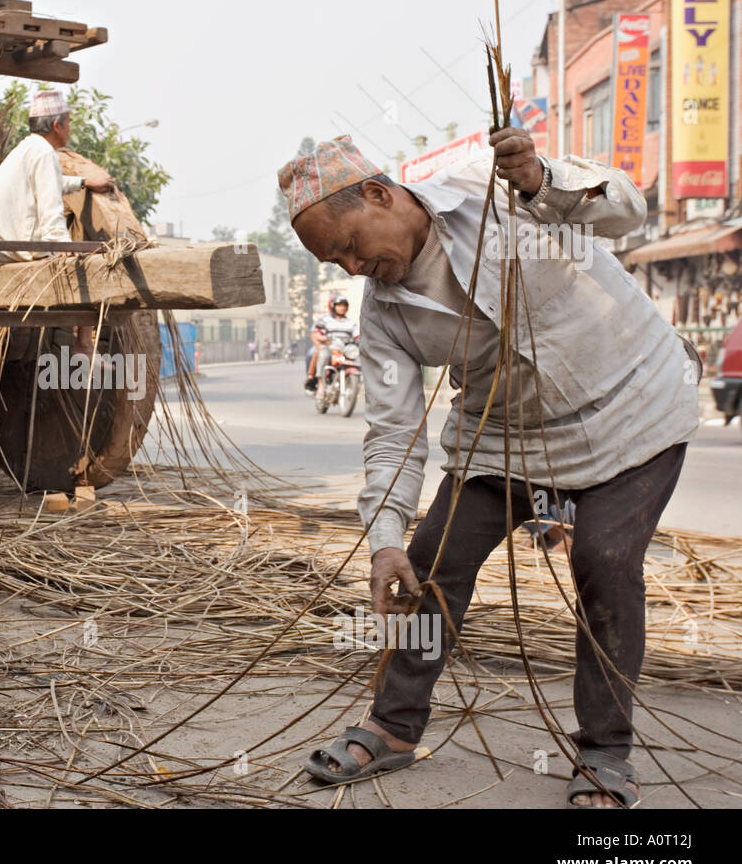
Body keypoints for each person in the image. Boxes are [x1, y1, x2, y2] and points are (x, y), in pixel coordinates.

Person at [281, 133, 701, 808]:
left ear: (380, 194)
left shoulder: (496, 185)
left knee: (605, 558)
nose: (355, 265)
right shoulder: (385, 314)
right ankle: (393, 727)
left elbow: (628, 208)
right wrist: (384, 539)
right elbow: (392, 433)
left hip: (634, 407)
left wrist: (542, 180)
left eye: (352, 245)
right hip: (503, 440)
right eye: (338, 260)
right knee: (429, 559)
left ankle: (605, 753)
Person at [0, 90, 114, 265]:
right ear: (57, 125)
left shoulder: (27, 147)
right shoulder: (44, 152)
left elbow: (49, 183)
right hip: (10, 247)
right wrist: (63, 244)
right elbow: (50, 208)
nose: (69, 130)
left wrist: (84, 182)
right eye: (68, 123)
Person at [305, 294, 357, 396]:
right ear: (333, 306)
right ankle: (321, 385)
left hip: (345, 350)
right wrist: (323, 338)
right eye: (339, 305)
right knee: (323, 354)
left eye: (344, 305)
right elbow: (315, 333)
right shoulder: (325, 320)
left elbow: (357, 335)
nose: (342, 308)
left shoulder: (351, 323)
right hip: (329, 348)